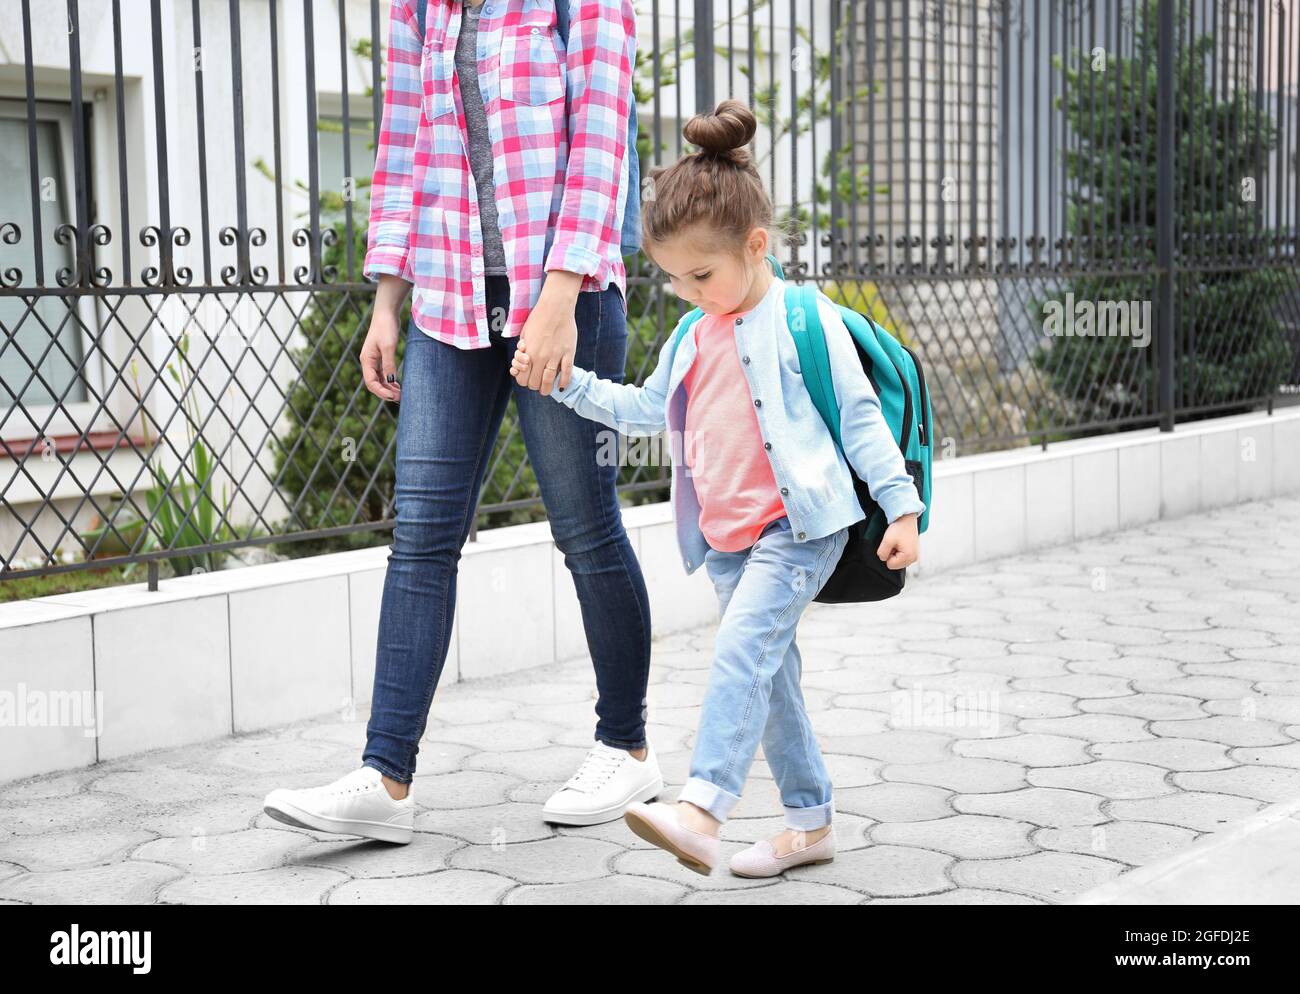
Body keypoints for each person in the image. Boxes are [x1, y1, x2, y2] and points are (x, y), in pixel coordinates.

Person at [263, 0, 660, 844]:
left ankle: (626, 745)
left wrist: (557, 298)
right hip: (448, 305)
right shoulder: (420, 10)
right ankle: (385, 778)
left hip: (566, 301)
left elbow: (601, 143)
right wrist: (386, 301)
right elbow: (403, 150)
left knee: (586, 530)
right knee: (421, 536)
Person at [512, 99, 926, 877]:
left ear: (755, 244)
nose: (691, 291)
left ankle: (702, 811)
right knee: (771, 686)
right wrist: (568, 386)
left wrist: (902, 505)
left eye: (702, 273)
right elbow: (641, 411)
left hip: (798, 530)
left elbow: (864, 420)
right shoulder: (693, 333)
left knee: (739, 655)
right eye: (674, 280)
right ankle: (811, 824)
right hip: (729, 543)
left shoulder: (807, 318)